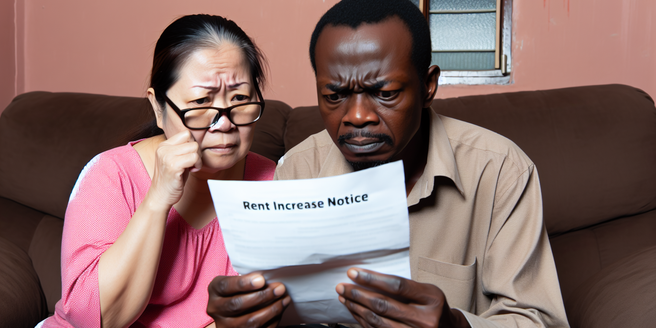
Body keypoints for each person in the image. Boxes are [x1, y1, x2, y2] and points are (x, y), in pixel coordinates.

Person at [206, 0, 570, 327]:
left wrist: (455, 326)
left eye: (385, 93)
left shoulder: (501, 170)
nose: (358, 116)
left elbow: (540, 321)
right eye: (334, 95)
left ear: (428, 85)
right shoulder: (299, 170)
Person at [39, 14, 287, 328]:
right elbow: (96, 320)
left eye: (239, 98)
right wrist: (157, 199)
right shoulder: (109, 175)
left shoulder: (275, 182)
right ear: (159, 107)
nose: (224, 124)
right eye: (201, 102)